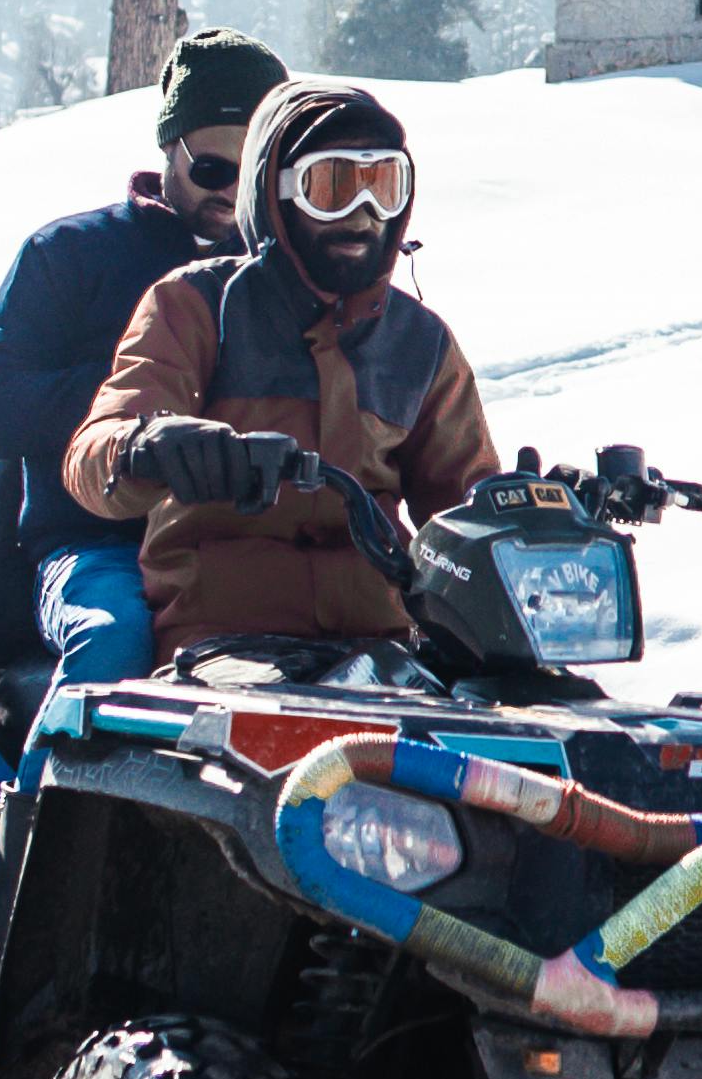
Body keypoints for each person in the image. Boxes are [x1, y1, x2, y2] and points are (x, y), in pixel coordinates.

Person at [63, 78, 496, 658]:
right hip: (229, 649)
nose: (363, 213)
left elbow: (465, 505)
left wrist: (521, 520)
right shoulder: (197, 306)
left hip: (381, 649)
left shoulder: (420, 342)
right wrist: (150, 445)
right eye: (333, 187)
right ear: (276, 193)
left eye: (383, 186)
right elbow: (93, 455)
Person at [0, 27, 286, 683]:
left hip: (253, 552)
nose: (231, 193)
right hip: (100, 548)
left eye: (252, 173)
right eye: (212, 170)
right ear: (171, 147)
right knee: (116, 639)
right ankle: (50, 787)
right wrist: (141, 407)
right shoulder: (72, 253)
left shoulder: (296, 272)